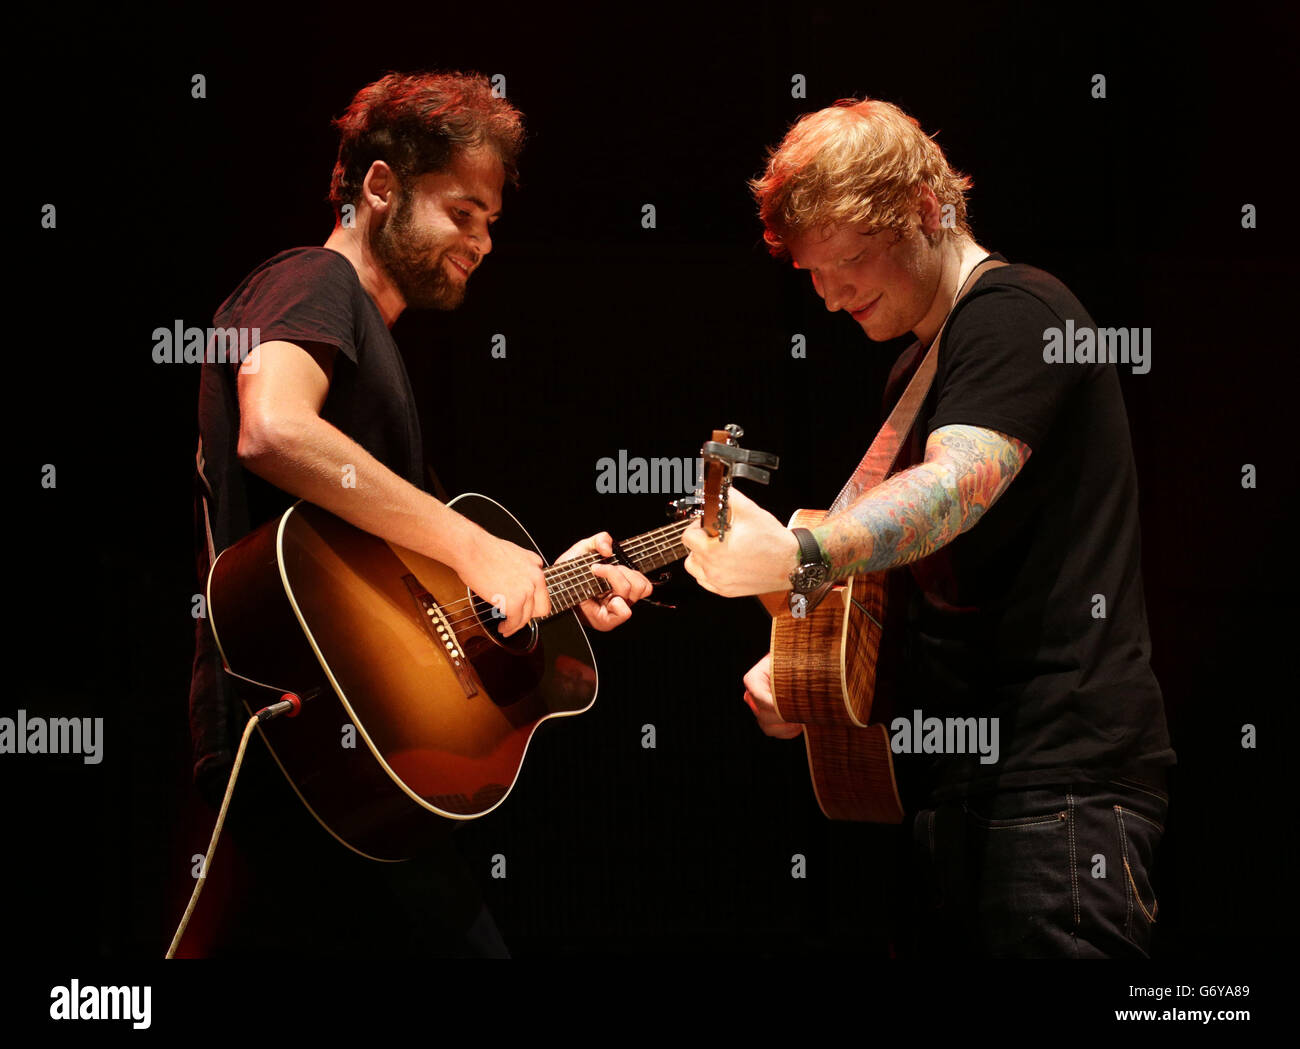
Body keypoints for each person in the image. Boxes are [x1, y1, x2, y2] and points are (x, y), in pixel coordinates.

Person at [681, 98, 1174, 958]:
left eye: (848, 261)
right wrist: (806, 671)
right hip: (958, 788)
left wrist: (804, 551)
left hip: (1058, 785)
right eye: (812, 275)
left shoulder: (1019, 313)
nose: (830, 297)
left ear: (925, 211)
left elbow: (954, 487)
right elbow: (907, 592)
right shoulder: (916, 366)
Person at [186, 71, 652, 956]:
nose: (482, 242)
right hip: (306, 732)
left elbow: (420, 590)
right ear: (380, 187)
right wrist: (480, 547)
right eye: (463, 211)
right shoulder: (314, 280)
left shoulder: (374, 357)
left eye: (492, 223)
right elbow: (276, 429)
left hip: (359, 748)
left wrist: (548, 583)